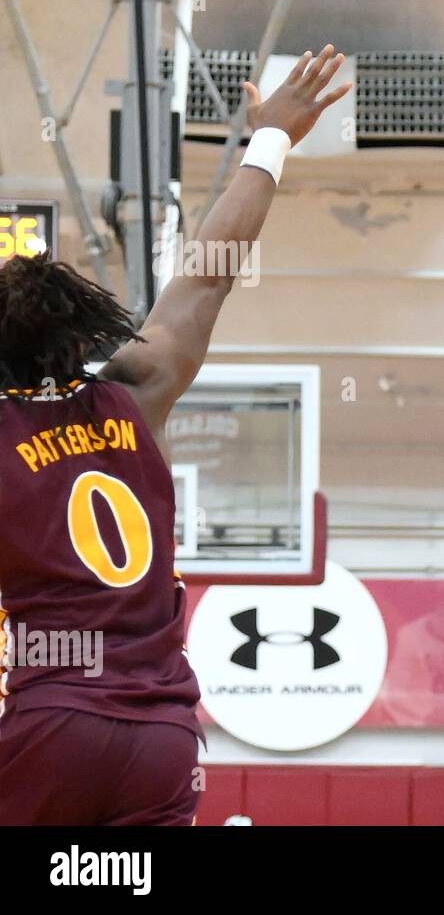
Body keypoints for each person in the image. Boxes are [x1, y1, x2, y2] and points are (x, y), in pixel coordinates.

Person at [0, 46, 352, 825]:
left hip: (54, 717)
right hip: (163, 736)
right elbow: (207, 275)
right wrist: (270, 140)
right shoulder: (136, 391)